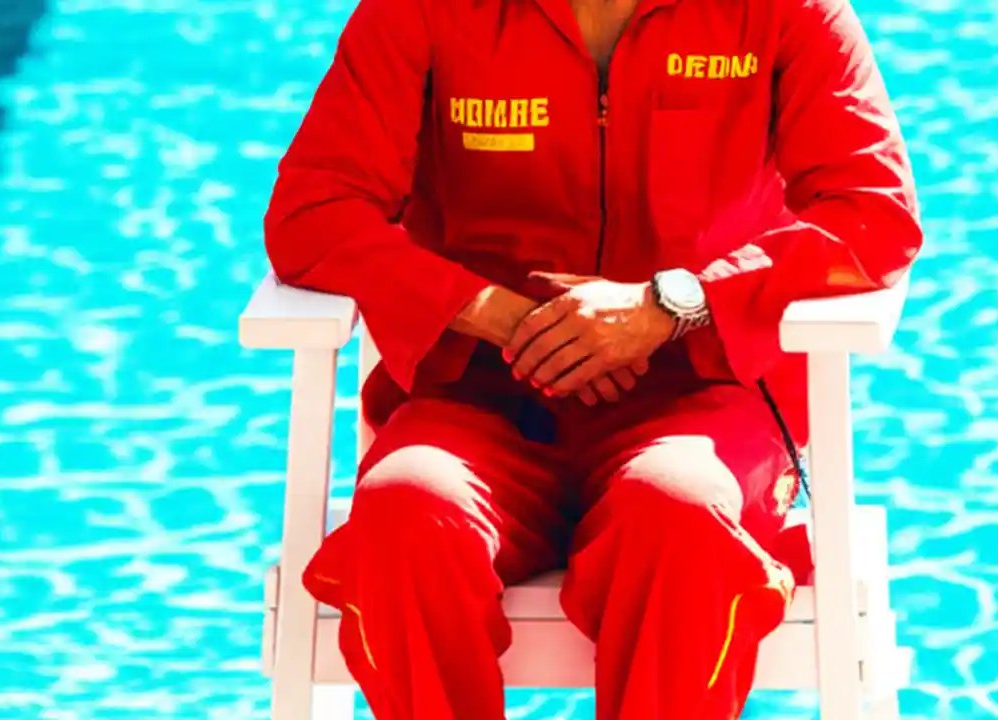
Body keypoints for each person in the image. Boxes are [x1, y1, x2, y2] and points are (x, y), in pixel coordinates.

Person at [263, 0, 922, 713]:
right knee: (407, 513)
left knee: (680, 511)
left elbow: (872, 216)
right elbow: (314, 213)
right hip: (476, 400)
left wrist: (673, 306)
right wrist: (502, 317)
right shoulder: (418, 12)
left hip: (705, 402)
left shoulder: (788, 12)